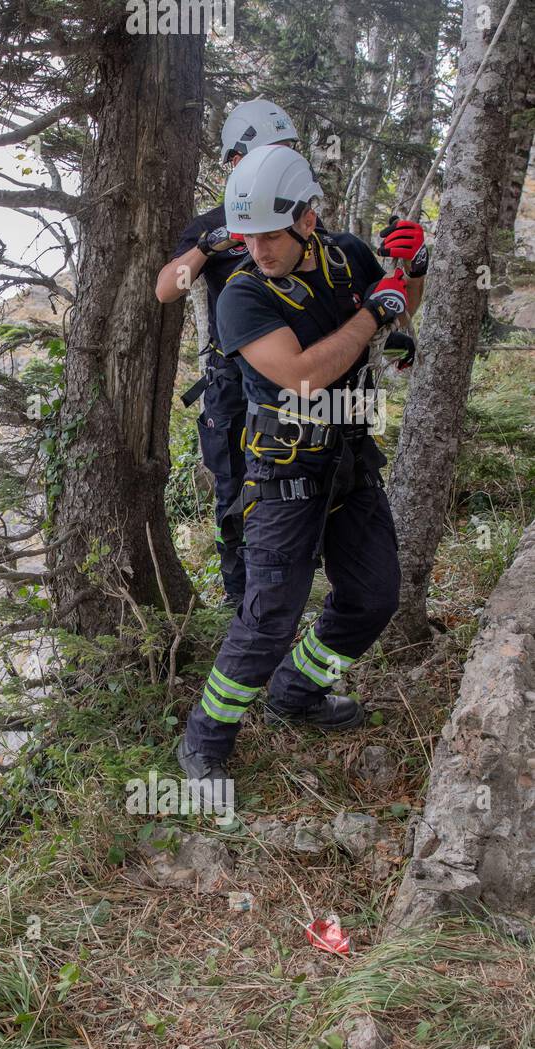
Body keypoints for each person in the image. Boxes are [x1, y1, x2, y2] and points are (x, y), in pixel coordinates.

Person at [175, 144, 429, 781]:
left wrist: (413, 267)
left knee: (374, 597)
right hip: (283, 471)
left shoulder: (346, 256)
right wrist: (377, 314)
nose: (256, 251)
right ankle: (205, 737)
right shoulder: (241, 296)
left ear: (306, 221)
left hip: (349, 458)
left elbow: (402, 302)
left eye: (267, 237)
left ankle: (297, 692)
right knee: (269, 617)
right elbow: (303, 377)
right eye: (245, 237)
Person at [156, 99, 304, 609]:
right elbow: (167, 289)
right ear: (238, 160)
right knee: (233, 486)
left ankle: (287, 588)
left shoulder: (298, 214)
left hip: (294, 374)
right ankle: (239, 598)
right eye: (271, 151)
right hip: (232, 380)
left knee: (295, 478)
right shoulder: (213, 223)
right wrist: (207, 247)